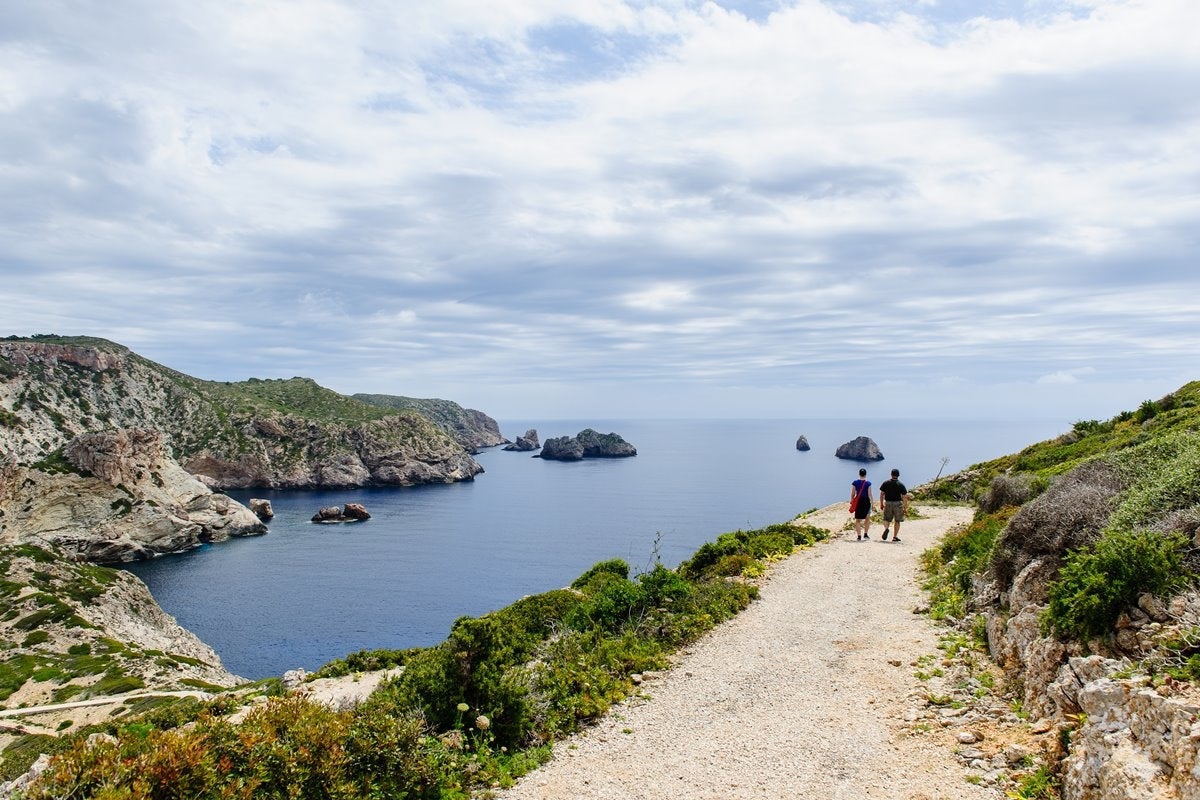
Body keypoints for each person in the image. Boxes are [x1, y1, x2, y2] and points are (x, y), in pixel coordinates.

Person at [878, 468, 911, 542]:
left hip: (888, 503)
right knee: (897, 521)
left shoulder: (886, 483)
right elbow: (904, 497)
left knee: (886, 519)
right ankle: (895, 537)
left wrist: (881, 503)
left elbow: (882, 494)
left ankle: (886, 528)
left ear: (891, 474)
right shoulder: (901, 484)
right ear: (898, 475)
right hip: (898, 504)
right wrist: (905, 507)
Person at [849, 468, 873, 540]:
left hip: (858, 502)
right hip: (866, 502)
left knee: (858, 520)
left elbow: (853, 494)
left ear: (859, 474)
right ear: (865, 474)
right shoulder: (868, 483)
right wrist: (872, 503)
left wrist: (852, 501)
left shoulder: (855, 483)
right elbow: (870, 494)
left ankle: (859, 536)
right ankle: (865, 534)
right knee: (867, 519)